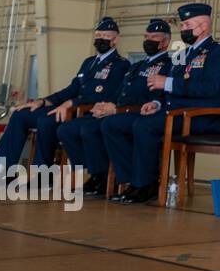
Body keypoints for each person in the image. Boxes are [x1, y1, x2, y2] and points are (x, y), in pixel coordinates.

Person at [103, 2, 220, 205]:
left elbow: (211, 87)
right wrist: (156, 103)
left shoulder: (218, 52)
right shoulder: (181, 54)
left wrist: (168, 82)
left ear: (203, 26)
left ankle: (147, 184)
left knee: (144, 126)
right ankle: (131, 181)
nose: (183, 29)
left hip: (200, 117)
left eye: (187, 24)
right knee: (113, 124)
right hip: (173, 113)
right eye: (182, 25)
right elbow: (169, 91)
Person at [0, 17, 129, 179]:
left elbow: (104, 95)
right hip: (67, 107)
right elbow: (71, 89)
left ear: (115, 40)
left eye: (106, 36)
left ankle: (42, 174)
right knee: (20, 115)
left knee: (46, 121)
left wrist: (71, 103)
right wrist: (43, 101)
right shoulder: (89, 63)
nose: (101, 39)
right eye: (98, 34)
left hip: (87, 112)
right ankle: (1, 170)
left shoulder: (121, 65)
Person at [60, 19, 172, 198]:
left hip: (141, 112)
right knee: (69, 128)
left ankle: (131, 180)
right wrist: (105, 105)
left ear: (165, 42)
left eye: (154, 37)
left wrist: (117, 109)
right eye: (146, 36)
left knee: (103, 126)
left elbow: (155, 97)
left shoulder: (168, 65)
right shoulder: (137, 66)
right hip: (120, 110)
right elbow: (120, 93)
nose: (148, 40)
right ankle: (101, 174)